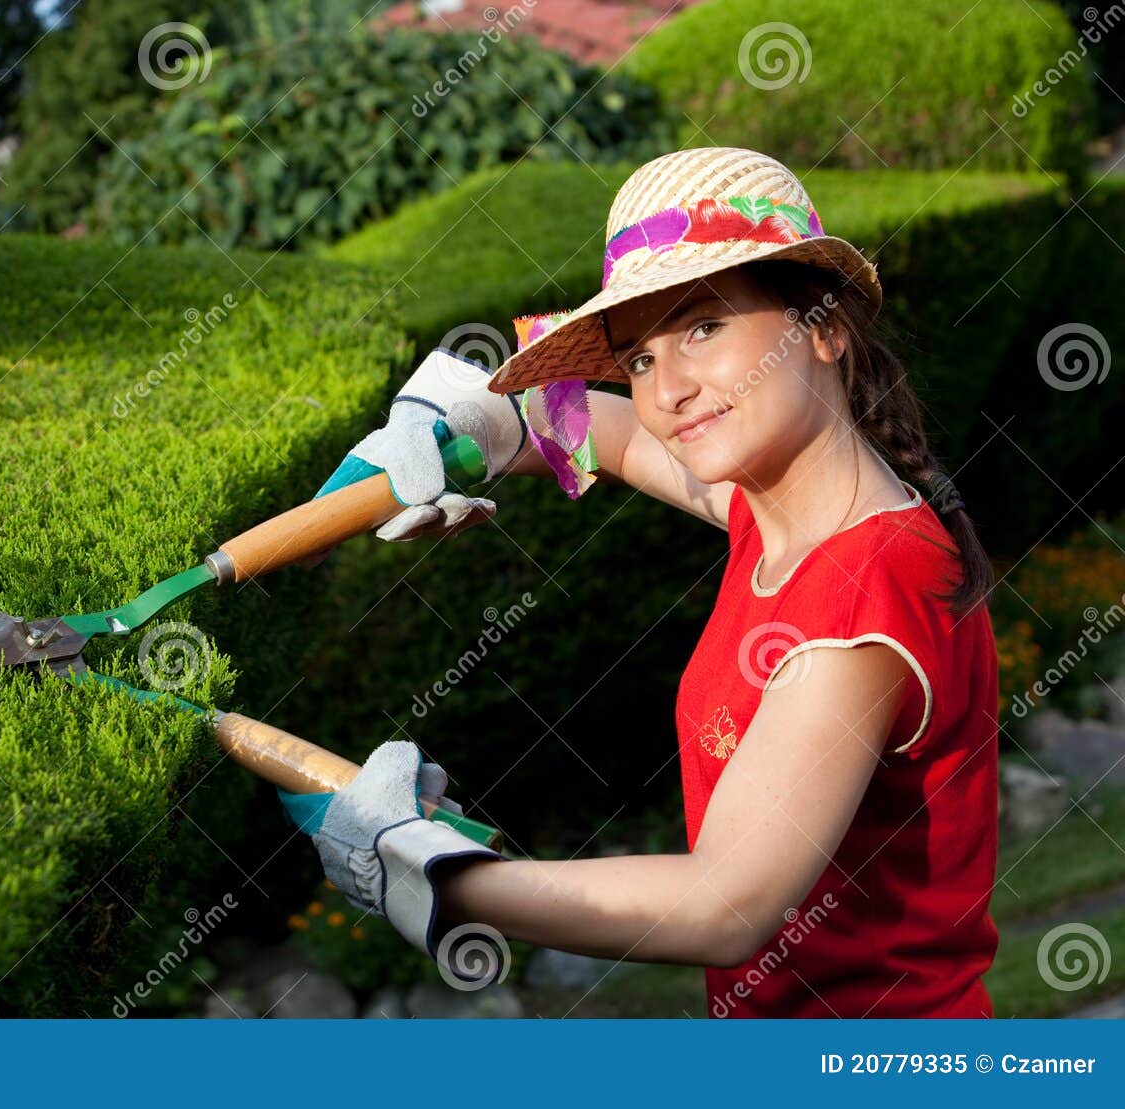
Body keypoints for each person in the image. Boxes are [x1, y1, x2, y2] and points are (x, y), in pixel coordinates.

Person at [282, 146, 1001, 1018]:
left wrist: (436, 868)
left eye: (703, 327)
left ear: (822, 324)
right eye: (640, 357)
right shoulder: (781, 509)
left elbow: (725, 905)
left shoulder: (864, 593)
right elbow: (618, 438)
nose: (670, 390)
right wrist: (490, 424)